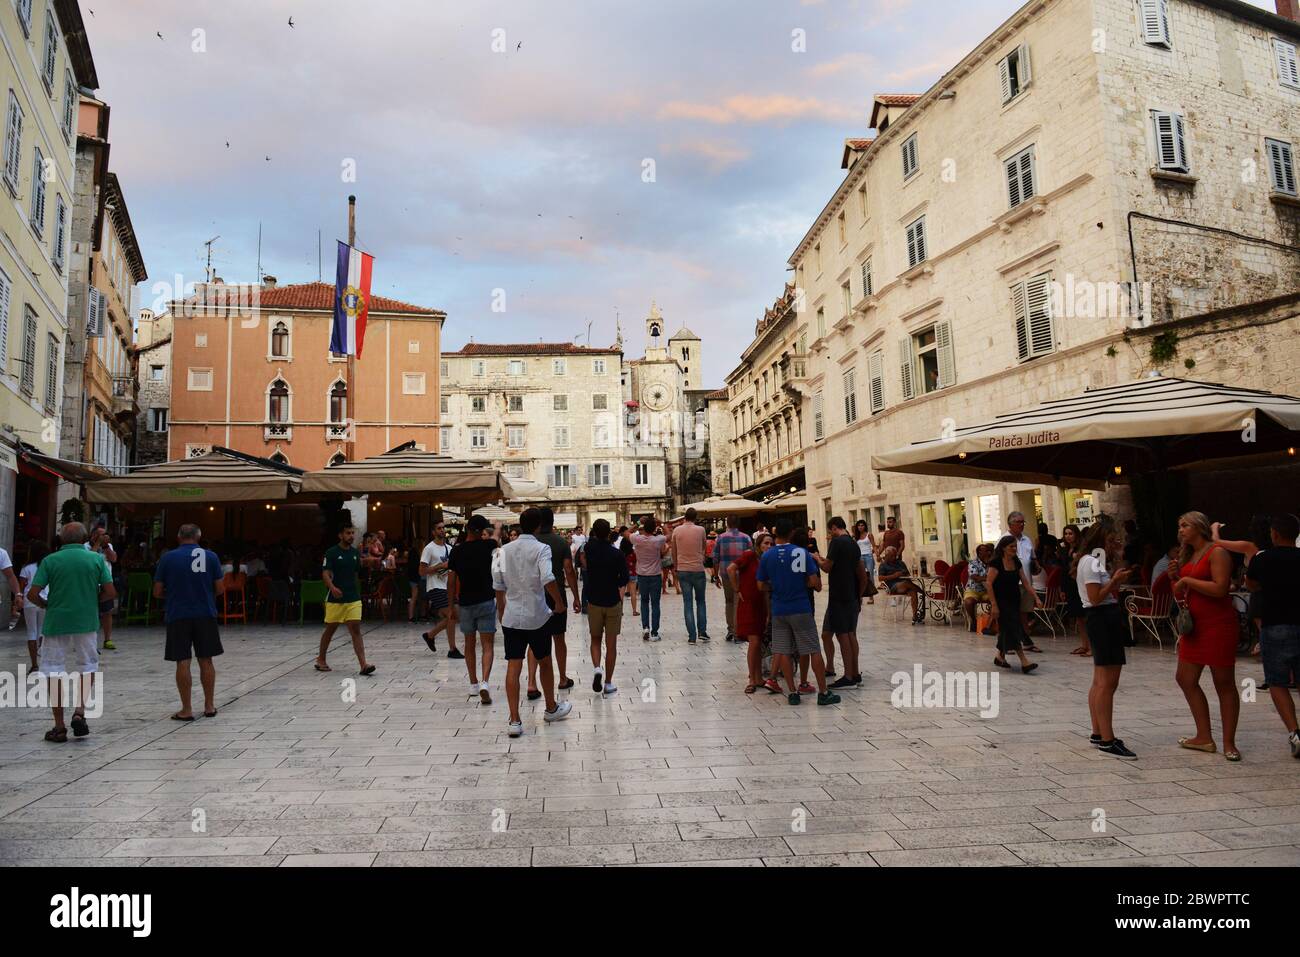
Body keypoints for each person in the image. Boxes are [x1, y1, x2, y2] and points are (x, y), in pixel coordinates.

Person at [26, 523, 115, 742]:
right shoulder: (95, 559)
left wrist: (47, 605)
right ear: (84, 537)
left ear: (61, 539)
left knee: (54, 670)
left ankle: (59, 725)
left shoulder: (50, 560)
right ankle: (80, 712)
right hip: (86, 620)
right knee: (87, 666)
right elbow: (110, 592)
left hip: (57, 620)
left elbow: (33, 593)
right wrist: (92, 601)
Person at [493, 507, 574, 736]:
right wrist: (558, 603)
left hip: (512, 616)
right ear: (539, 526)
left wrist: (502, 612)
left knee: (513, 664)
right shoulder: (541, 549)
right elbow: (548, 578)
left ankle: (515, 720)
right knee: (545, 661)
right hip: (536, 616)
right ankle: (550, 707)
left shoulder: (502, 551)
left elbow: (498, 586)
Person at [1170, 511, 1240, 761]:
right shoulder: (1187, 555)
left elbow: (1221, 588)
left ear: (1199, 527)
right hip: (1194, 626)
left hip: (1217, 624)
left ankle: (1229, 742)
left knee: (1224, 683)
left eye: (1185, 525)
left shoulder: (1216, 552)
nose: (1181, 529)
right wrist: (1176, 578)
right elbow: (1183, 594)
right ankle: (1204, 736)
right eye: (1179, 526)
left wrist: (1186, 578)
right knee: (1185, 678)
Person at [756, 518, 839, 706]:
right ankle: (823, 692)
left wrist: (776, 585)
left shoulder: (767, 556)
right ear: (792, 533)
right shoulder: (801, 553)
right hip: (801, 607)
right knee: (813, 649)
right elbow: (814, 583)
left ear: (776, 534)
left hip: (779, 609)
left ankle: (792, 692)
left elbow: (760, 585)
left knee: (783, 650)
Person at [1076, 517, 1136, 758]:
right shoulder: (1090, 563)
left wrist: (1114, 578)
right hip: (1101, 617)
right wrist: (1114, 581)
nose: (1114, 545)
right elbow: (1094, 598)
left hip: (1104, 617)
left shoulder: (1095, 562)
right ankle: (1107, 738)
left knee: (1100, 680)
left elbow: (1106, 593)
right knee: (1107, 683)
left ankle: (1099, 732)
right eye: (1111, 541)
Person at [153, 524, 226, 721]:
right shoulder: (210, 557)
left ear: (178, 537)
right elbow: (220, 588)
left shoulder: (167, 558)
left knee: (182, 661)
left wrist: (175, 593)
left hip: (178, 614)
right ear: (199, 537)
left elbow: (157, 591)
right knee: (206, 659)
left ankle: (186, 709)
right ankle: (209, 705)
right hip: (205, 613)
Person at [1244, 513, 1300, 758]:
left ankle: (1295, 731)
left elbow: (1251, 585)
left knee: (1277, 682)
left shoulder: (1262, 558)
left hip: (1275, 624)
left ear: (1274, 534)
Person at [524, 507, 580, 700]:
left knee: (534, 640)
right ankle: (562, 678)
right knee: (558, 638)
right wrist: (576, 597)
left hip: (535, 594)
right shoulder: (560, 542)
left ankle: (531, 683)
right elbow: (568, 570)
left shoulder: (532, 542)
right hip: (556, 594)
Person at [447, 514, 499, 705]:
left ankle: (473, 683)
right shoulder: (489, 546)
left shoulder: (456, 551)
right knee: (487, 645)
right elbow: (496, 540)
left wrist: (451, 604)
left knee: (469, 644)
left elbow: (451, 581)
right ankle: (485, 681)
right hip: (486, 600)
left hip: (466, 603)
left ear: (468, 529)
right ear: (481, 531)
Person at [314, 524, 375, 676]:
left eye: (352, 533)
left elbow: (355, 574)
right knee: (331, 628)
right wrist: (332, 588)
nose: (351, 536)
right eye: (348, 533)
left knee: (355, 629)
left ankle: (363, 664)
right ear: (340, 535)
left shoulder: (355, 553)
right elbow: (325, 573)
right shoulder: (332, 552)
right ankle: (321, 659)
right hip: (335, 598)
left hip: (352, 597)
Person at [579, 519, 628, 696]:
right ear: (609, 533)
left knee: (595, 639)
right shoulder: (617, 554)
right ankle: (608, 682)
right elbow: (624, 579)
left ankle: (597, 668)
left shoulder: (590, 549)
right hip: (612, 601)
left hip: (594, 600)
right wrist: (620, 598)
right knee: (611, 643)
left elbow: (581, 558)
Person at [818, 517, 866, 690]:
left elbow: (827, 568)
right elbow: (860, 573)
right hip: (851, 594)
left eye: (830, 530)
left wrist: (817, 559)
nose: (830, 534)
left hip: (839, 595)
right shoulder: (854, 543)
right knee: (851, 634)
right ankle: (855, 672)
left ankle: (847, 676)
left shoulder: (836, 543)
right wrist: (859, 596)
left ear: (834, 527)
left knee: (842, 634)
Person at [988, 535, 1039, 674]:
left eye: (1015, 546)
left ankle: (999, 656)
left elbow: (1025, 581)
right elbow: (989, 584)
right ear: (1003, 548)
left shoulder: (1016, 561)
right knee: (1014, 628)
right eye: (1011, 546)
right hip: (1001, 601)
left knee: (1006, 630)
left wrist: (1036, 597)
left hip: (1014, 600)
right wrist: (994, 605)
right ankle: (1024, 661)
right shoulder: (996, 563)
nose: (1014, 549)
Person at [731, 533, 772, 693]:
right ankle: (752, 679)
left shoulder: (766, 561)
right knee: (754, 641)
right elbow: (731, 568)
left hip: (761, 604)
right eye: (766, 543)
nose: (769, 546)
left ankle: (758, 677)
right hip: (748, 604)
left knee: (758, 642)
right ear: (759, 544)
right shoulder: (750, 555)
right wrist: (736, 589)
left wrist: (768, 611)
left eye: (771, 544)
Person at [419, 522, 459, 658]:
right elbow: (422, 571)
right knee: (451, 615)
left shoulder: (450, 548)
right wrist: (439, 566)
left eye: (443, 528)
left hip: (448, 586)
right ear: (433, 532)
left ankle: (430, 635)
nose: (442, 530)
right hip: (435, 586)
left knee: (454, 615)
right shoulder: (429, 549)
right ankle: (452, 649)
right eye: (439, 528)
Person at [671, 508, 710, 643]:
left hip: (682, 569)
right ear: (695, 517)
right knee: (700, 601)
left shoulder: (676, 531)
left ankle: (692, 636)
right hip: (698, 569)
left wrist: (676, 567)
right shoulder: (701, 530)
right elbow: (704, 547)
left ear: (684, 517)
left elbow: (674, 551)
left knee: (687, 603)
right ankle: (702, 631)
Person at [714, 517, 753, 643]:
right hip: (741, 574)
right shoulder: (746, 537)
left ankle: (731, 630)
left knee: (729, 602)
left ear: (728, 524)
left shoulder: (720, 538)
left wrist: (715, 575)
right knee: (738, 603)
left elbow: (715, 558)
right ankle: (737, 632)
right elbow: (751, 556)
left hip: (726, 574)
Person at [631, 516, 668, 641]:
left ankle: (645, 627)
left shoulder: (637, 539)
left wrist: (637, 523)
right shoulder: (658, 540)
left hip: (642, 575)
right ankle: (654, 632)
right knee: (655, 604)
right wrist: (661, 524)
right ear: (654, 528)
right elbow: (670, 534)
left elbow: (626, 532)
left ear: (643, 528)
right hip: (655, 575)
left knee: (644, 602)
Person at [87, 526, 117, 650]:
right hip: (91, 583)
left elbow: (114, 558)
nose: (104, 537)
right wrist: (97, 544)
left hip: (105, 583)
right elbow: (89, 559)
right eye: (101, 534)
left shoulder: (108, 546)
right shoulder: (85, 547)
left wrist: (104, 546)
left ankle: (107, 639)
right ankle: (88, 639)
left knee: (107, 611)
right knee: (90, 611)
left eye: (105, 534)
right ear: (93, 535)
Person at [1060, 523, 1089, 655]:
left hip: (1080, 585)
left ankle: (1091, 645)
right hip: (1069, 586)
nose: (1068, 536)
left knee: (1085, 616)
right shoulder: (1064, 551)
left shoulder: (1082, 550)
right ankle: (1084, 644)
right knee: (1078, 617)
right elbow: (1062, 570)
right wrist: (1062, 589)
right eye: (1066, 534)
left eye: (1070, 533)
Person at [877, 546, 922, 624]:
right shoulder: (883, 565)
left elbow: (908, 573)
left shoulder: (900, 563)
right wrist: (894, 576)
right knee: (906, 583)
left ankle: (915, 616)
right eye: (892, 556)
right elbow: (880, 578)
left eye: (895, 555)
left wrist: (903, 574)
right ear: (887, 555)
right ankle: (923, 593)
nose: (894, 557)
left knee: (913, 592)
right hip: (893, 587)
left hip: (905, 586)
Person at [17, 541, 44, 670]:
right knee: (42, 630)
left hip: (30, 601)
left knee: (31, 632)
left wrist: (17, 601)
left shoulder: (26, 568)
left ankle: (34, 664)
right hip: (44, 599)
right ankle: (43, 657)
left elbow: (21, 587)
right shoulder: (47, 566)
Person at [962, 543, 993, 633]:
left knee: (996, 600)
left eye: (989, 551)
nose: (989, 552)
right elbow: (975, 577)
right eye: (986, 551)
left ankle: (989, 624)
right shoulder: (973, 563)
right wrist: (989, 578)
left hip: (986, 590)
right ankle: (974, 621)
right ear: (979, 553)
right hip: (973, 589)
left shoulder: (991, 563)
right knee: (968, 602)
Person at [854, 520, 876, 604]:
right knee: (860, 576)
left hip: (869, 556)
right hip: (860, 557)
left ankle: (871, 597)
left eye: (862, 525)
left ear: (865, 526)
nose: (860, 527)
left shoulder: (869, 535)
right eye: (859, 525)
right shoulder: (856, 536)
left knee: (870, 576)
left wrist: (877, 555)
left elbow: (873, 545)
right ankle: (860, 596)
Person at [619, 532, 639, 616]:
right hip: (632, 573)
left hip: (622, 574)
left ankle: (620, 611)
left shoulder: (619, 553)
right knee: (633, 593)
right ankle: (634, 611)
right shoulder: (633, 553)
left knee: (621, 593)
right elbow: (637, 562)